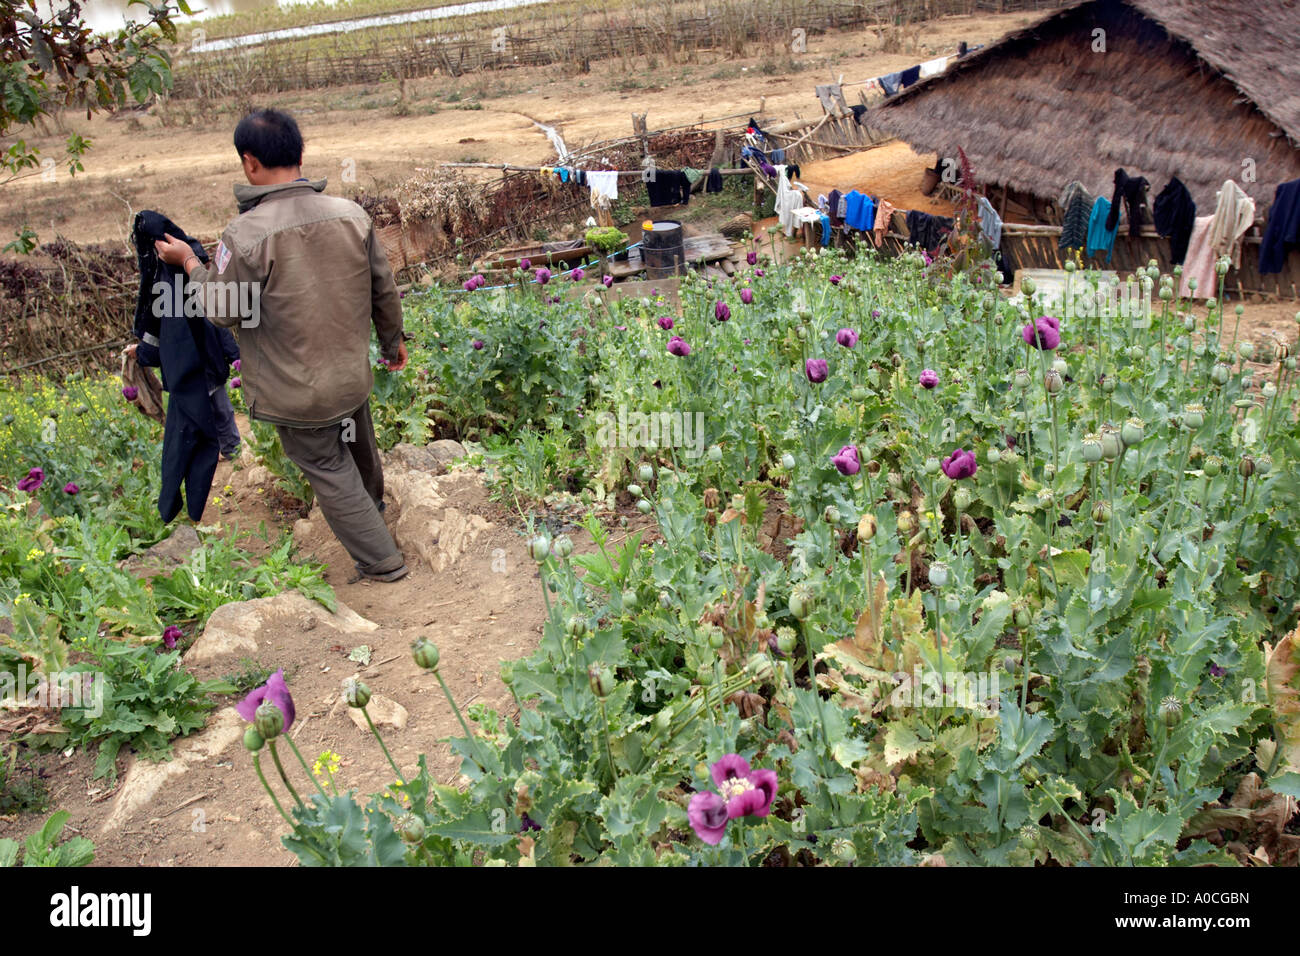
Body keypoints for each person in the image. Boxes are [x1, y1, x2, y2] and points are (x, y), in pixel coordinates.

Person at [152, 108, 410, 583]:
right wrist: (392, 343)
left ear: (250, 163)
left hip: (296, 390)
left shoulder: (245, 235)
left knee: (328, 466)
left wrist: (189, 261)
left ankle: (382, 563)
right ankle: (372, 509)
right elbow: (383, 288)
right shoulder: (350, 214)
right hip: (350, 376)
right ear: (300, 153)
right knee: (357, 443)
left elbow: (222, 308)